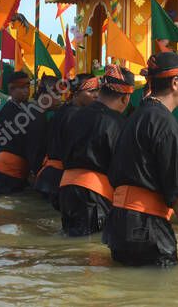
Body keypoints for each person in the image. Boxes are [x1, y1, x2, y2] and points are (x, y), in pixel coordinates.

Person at [104, 52, 178, 266]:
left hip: (118, 224)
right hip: (146, 227)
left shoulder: (134, 117)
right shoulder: (166, 124)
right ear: (175, 83)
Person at [59, 65, 135, 236]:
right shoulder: (118, 124)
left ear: (100, 92)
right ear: (125, 99)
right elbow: (123, 170)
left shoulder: (74, 116)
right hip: (93, 196)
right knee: (90, 253)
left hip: (65, 191)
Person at [35, 73, 100, 209]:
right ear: (76, 93)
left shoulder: (64, 111)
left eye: (98, 90)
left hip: (48, 176)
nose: (96, 95)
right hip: (58, 179)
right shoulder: (77, 116)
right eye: (91, 91)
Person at [0, 71, 33, 193]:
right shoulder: (12, 112)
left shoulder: (18, 108)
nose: (26, 91)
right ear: (11, 90)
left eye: (27, 87)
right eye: (22, 88)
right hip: (5, 173)